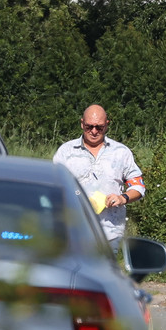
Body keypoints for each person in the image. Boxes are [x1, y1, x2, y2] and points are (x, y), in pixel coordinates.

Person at [52, 104, 144, 249]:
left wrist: (122, 198)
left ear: (107, 125)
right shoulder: (65, 152)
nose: (94, 131)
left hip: (110, 235)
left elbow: (138, 187)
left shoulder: (121, 152)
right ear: (82, 124)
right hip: (73, 234)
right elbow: (53, 186)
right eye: (89, 127)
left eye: (99, 127)